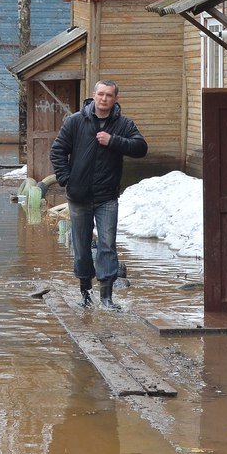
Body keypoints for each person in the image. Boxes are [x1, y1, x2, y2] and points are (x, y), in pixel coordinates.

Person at [49, 80, 148, 308]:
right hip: (79, 196)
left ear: (115, 99)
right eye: (101, 94)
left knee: (107, 246)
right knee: (82, 248)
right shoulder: (76, 121)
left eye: (109, 95)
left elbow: (141, 148)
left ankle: (106, 297)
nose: (104, 99)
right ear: (93, 95)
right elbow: (58, 151)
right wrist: (66, 179)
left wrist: (112, 140)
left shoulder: (123, 124)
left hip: (107, 197)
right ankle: (85, 292)